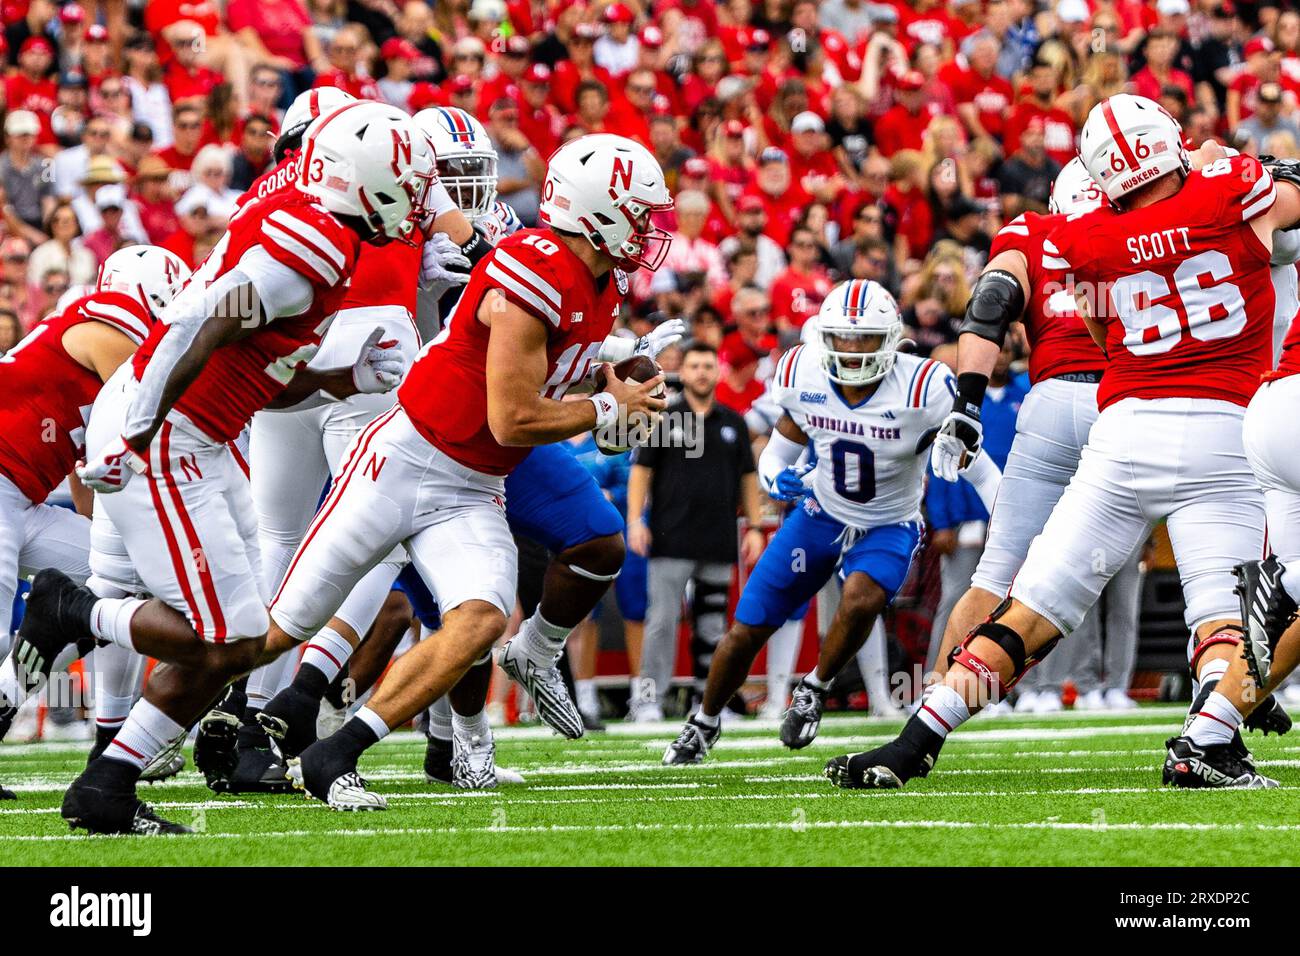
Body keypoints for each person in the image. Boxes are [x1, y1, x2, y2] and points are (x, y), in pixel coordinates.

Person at [827, 94, 1300, 793]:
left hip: (1126, 425)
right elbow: (1285, 196)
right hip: (1224, 427)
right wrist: (1232, 163)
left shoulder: (1082, 233)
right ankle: (1210, 737)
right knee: (1223, 615)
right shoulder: (1226, 191)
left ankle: (917, 738)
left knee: (1034, 607)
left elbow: (1106, 335)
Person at [8, 102, 436, 835]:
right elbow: (191, 325)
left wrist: (336, 381)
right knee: (226, 640)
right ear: (367, 183)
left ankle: (106, 784)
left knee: (248, 639)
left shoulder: (307, 215)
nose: (422, 201)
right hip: (167, 437)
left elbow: (259, 360)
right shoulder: (312, 245)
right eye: (410, 182)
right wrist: (137, 430)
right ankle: (72, 613)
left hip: (194, 435)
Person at [257, 133, 672, 810]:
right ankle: (105, 642)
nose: (650, 229)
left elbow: (559, 373)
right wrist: (605, 405)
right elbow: (513, 418)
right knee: (284, 625)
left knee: (480, 621)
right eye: (639, 212)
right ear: (599, 211)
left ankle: (336, 753)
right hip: (404, 458)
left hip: (474, 486)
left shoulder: (601, 279)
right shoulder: (535, 266)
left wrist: (619, 381)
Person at [663, 281, 1000, 763]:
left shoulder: (925, 387)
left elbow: (981, 467)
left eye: (864, 338)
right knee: (746, 630)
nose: (852, 348)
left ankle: (815, 688)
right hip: (820, 514)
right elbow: (778, 453)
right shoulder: (805, 373)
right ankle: (704, 721)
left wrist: (1008, 529)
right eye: (841, 337)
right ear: (824, 336)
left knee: (862, 597)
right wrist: (776, 477)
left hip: (890, 521)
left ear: (891, 340)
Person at [0, 246, 191, 802]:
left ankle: (109, 734)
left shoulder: (95, 330)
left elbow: (90, 456)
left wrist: (98, 525)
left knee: (117, 580)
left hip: (24, 498)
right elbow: (151, 417)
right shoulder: (106, 318)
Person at [627, 342, 766, 720]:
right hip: (670, 537)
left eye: (708, 365)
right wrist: (635, 520)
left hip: (718, 537)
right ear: (683, 373)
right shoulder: (665, 417)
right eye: (695, 366)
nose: (702, 372)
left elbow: (748, 478)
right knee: (661, 623)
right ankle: (647, 699)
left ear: (717, 371)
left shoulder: (734, 421)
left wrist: (754, 527)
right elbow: (641, 471)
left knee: (713, 626)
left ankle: (709, 703)